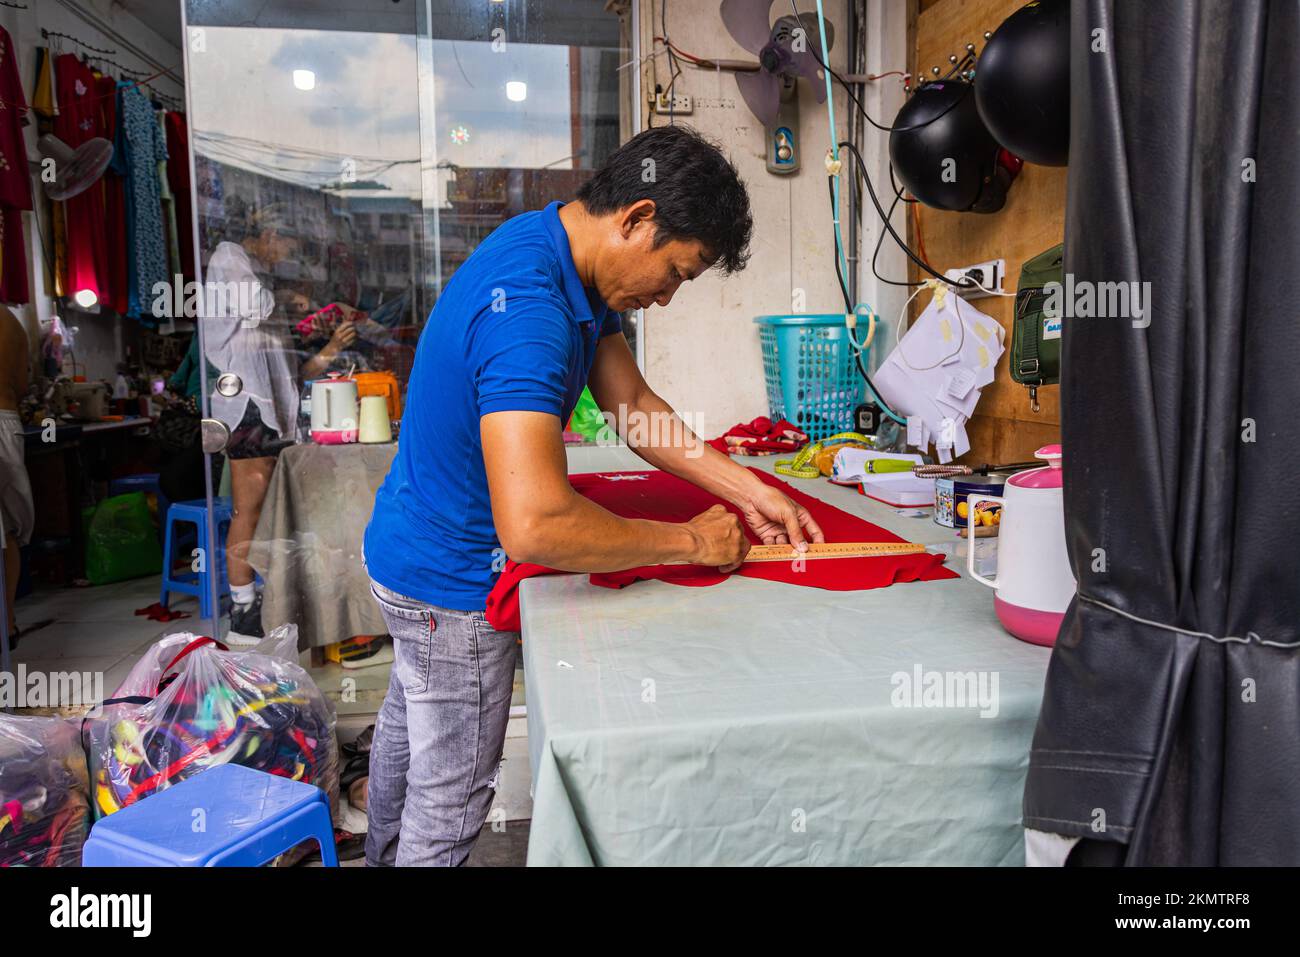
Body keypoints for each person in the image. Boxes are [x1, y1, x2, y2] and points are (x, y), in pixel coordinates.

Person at [362, 125, 825, 866]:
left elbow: (632, 403)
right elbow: (536, 525)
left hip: (404, 546)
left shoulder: (559, 254)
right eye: (675, 273)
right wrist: (692, 543)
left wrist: (748, 488)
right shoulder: (533, 313)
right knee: (448, 799)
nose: (667, 299)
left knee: (409, 737)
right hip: (451, 586)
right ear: (637, 218)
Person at [201, 204, 357, 642]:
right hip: (245, 407)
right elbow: (259, 305)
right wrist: (292, 299)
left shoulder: (258, 282)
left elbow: (292, 375)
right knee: (249, 508)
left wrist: (328, 343)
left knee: (271, 508)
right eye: (286, 244)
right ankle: (243, 608)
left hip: (269, 409)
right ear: (268, 233)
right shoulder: (231, 257)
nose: (286, 254)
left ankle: (267, 597)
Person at [0, 304, 33, 649]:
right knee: (7, 530)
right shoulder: (12, 321)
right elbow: (22, 384)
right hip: (7, 422)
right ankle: (7, 622)